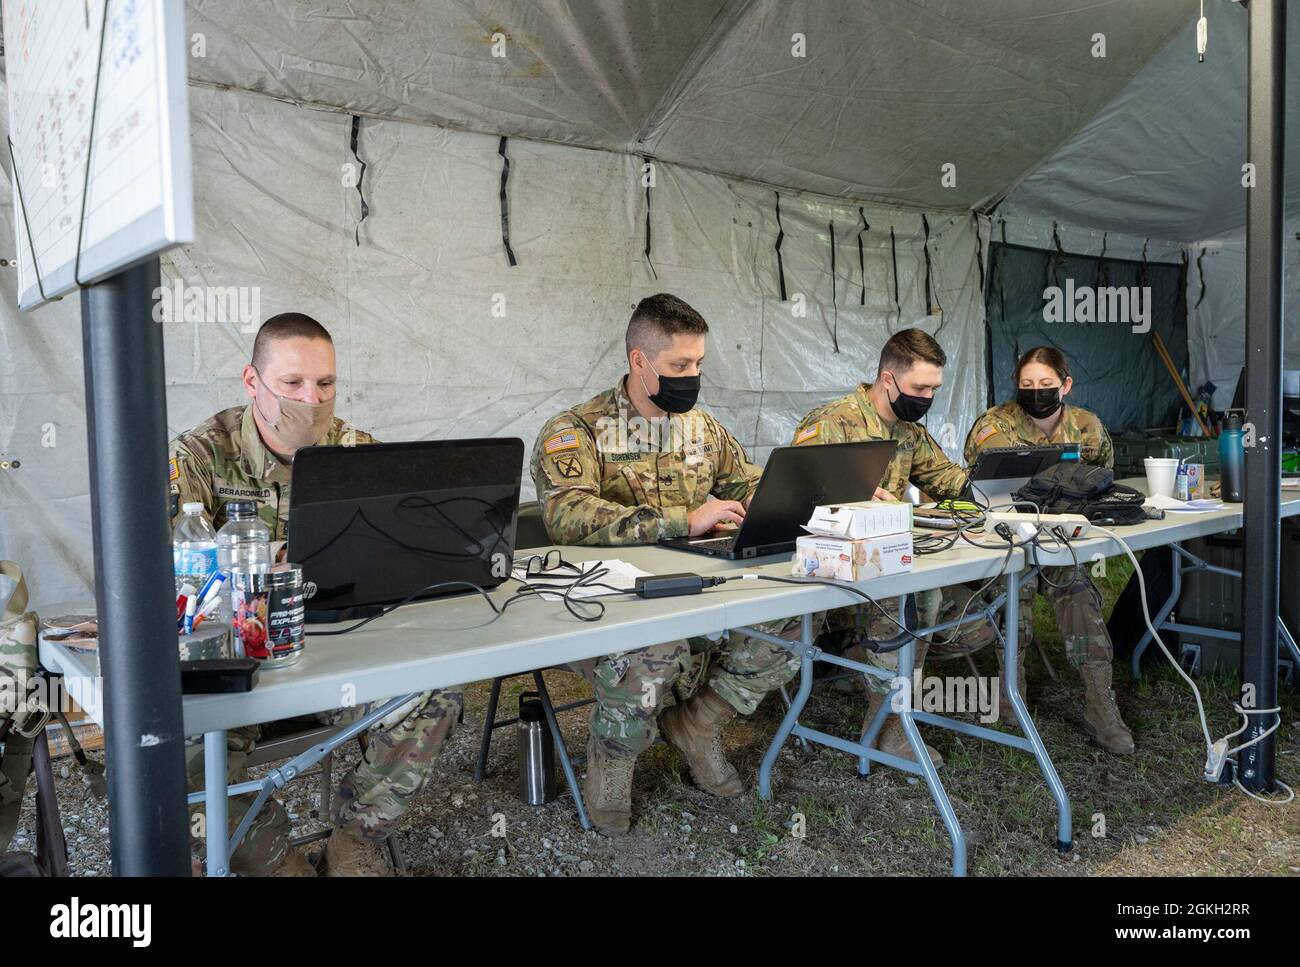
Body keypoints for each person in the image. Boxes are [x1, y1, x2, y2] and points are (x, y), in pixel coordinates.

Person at [170, 312, 461, 875]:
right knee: (179, 750)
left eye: (325, 384)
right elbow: (166, 577)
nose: (313, 398)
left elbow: (398, 549)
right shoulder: (199, 458)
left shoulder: (360, 453)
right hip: (239, 651)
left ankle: (357, 835)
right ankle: (277, 861)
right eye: (293, 384)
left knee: (431, 692)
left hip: (336, 639)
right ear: (252, 382)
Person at [530, 293, 801, 835]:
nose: (693, 376)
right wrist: (682, 519)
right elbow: (565, 513)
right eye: (680, 366)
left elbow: (747, 482)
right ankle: (613, 759)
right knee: (658, 650)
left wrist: (795, 495)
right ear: (640, 362)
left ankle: (697, 726)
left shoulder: (702, 429)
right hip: (605, 601)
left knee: (789, 621)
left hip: (696, 585)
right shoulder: (578, 431)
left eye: (698, 364)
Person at [791, 328, 992, 767]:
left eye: (934, 389)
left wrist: (996, 487)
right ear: (888, 379)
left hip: (888, 563)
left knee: (973, 605)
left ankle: (871, 686)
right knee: (921, 597)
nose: (927, 398)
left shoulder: (908, 433)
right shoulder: (830, 424)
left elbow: (951, 482)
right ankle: (892, 722)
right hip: (833, 567)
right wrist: (855, 502)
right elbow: (794, 506)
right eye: (920, 388)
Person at [962, 345, 1133, 754]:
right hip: (1006, 538)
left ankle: (1100, 705)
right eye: (1027, 384)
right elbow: (978, 485)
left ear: (1065, 385)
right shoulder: (994, 424)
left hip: (1062, 538)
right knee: (1012, 592)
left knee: (1078, 594)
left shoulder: (1087, 426)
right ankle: (1010, 695)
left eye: (1045, 385)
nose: (1035, 392)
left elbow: (1103, 479)